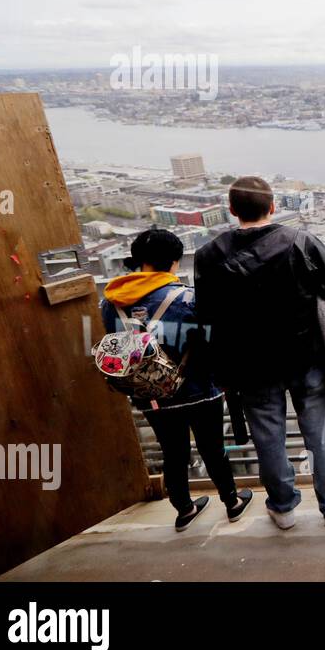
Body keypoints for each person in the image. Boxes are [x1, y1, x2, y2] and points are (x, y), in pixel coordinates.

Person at [194, 176, 325, 530]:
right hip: (307, 357)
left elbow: (207, 317)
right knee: (318, 433)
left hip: (250, 365)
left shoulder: (208, 256)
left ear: (232, 210)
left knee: (268, 438)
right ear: (272, 206)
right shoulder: (301, 242)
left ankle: (283, 507)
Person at [101, 228, 253, 532]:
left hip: (150, 394)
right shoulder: (187, 298)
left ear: (138, 261)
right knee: (213, 449)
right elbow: (214, 341)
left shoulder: (111, 304)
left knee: (173, 453)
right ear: (174, 262)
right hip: (199, 389)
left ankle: (184, 509)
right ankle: (232, 502)